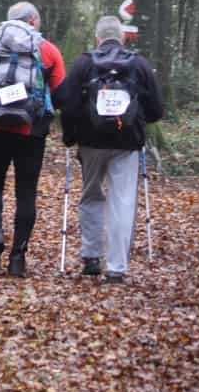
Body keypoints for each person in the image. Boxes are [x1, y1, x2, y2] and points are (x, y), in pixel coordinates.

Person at [0, 1, 65, 277]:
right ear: (32, 20)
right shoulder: (48, 51)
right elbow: (62, 95)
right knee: (26, 192)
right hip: (32, 132)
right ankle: (18, 256)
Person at [56, 15, 163, 282]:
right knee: (122, 201)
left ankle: (91, 257)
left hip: (91, 142)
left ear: (97, 38)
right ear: (122, 36)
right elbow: (156, 110)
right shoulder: (139, 64)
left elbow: (67, 104)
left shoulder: (84, 62)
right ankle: (116, 268)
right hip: (127, 142)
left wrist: (70, 137)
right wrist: (137, 121)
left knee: (91, 194)